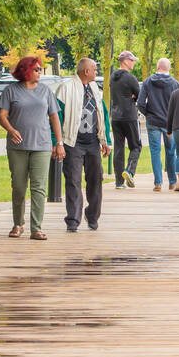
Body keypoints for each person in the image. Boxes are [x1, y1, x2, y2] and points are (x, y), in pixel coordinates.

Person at [0, 56, 63, 241]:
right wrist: (10, 129)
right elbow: (2, 115)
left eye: (41, 69)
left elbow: (54, 117)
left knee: (39, 187)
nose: (40, 72)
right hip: (17, 147)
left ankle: (36, 227)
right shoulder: (11, 91)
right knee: (18, 186)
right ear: (26, 70)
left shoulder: (45, 91)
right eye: (37, 69)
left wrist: (59, 143)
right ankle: (18, 223)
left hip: (41, 146)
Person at [55, 58, 112, 232]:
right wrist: (58, 142)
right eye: (94, 69)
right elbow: (56, 116)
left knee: (96, 180)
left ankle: (92, 215)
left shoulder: (95, 89)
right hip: (73, 142)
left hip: (93, 142)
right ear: (86, 71)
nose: (97, 72)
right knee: (73, 180)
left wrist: (106, 140)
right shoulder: (66, 88)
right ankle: (73, 220)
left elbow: (103, 114)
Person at [136, 59, 179, 192]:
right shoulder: (175, 84)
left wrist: (148, 114)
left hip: (153, 121)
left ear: (157, 67)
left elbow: (140, 103)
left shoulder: (148, 81)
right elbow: (177, 105)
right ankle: (172, 181)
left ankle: (158, 182)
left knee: (155, 151)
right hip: (169, 122)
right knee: (171, 151)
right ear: (169, 68)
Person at [110, 50, 142, 188]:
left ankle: (118, 181)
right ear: (125, 61)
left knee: (118, 148)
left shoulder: (112, 77)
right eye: (132, 60)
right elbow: (139, 95)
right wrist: (132, 97)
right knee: (136, 146)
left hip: (116, 116)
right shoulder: (130, 78)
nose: (134, 62)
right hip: (129, 116)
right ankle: (129, 170)